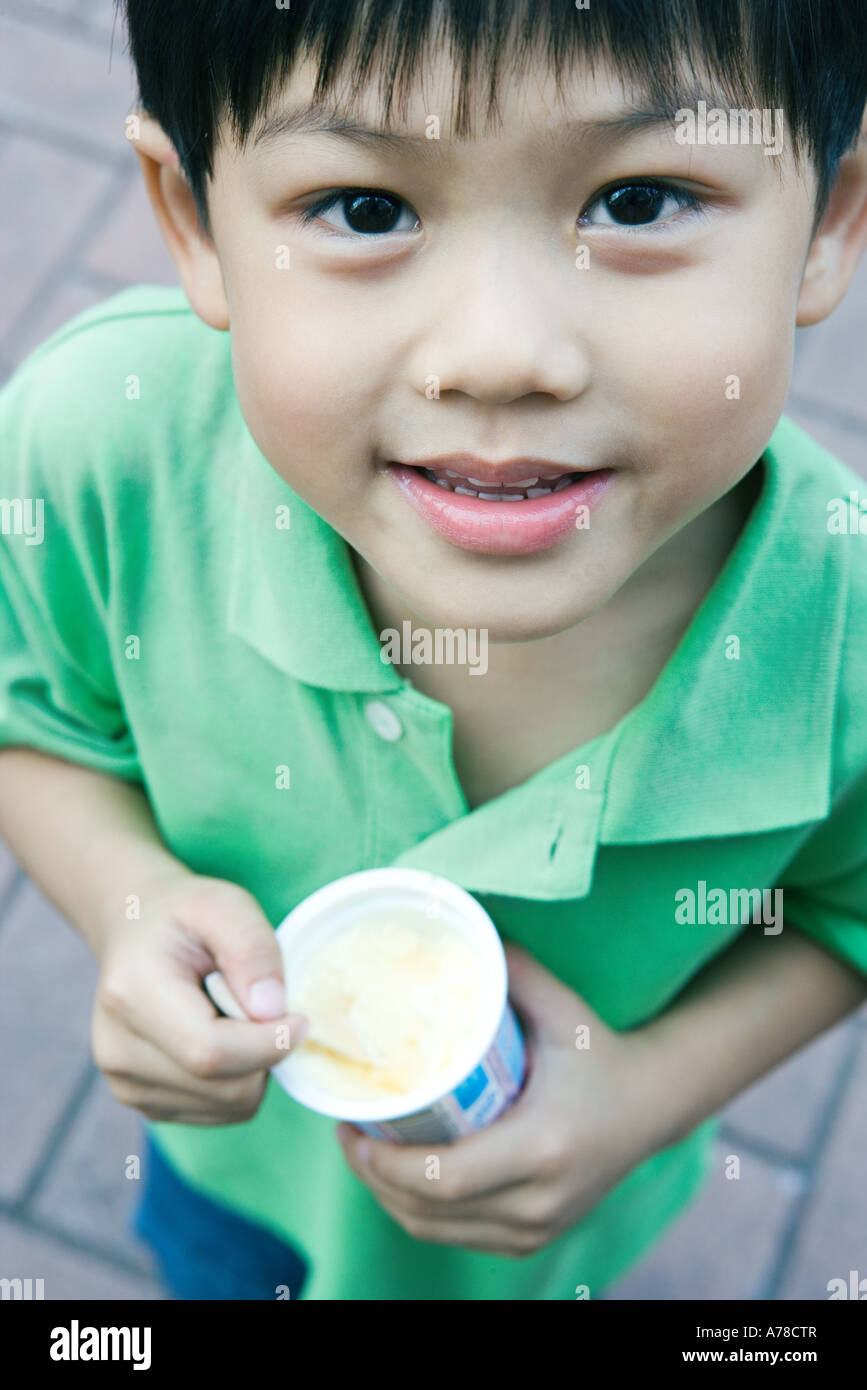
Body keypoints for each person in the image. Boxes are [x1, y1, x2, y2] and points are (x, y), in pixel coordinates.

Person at [1, 0, 867, 1301]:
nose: (499, 356)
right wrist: (124, 895)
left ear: (829, 222)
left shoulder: (844, 636)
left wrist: (645, 1095)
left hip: (563, 1217)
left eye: (638, 201)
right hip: (245, 1187)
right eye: (363, 208)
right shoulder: (104, 465)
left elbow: (845, 905)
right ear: (193, 221)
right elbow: (36, 722)